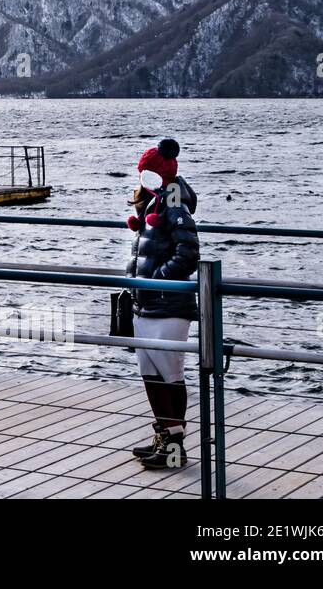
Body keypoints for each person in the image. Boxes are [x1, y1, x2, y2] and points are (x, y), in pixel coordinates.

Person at [124, 137, 199, 470]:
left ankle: (174, 447)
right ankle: (165, 437)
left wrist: (157, 281)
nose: (143, 180)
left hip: (168, 305)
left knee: (170, 375)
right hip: (145, 301)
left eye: (149, 174)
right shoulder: (152, 204)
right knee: (150, 373)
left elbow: (189, 254)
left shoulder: (174, 204)